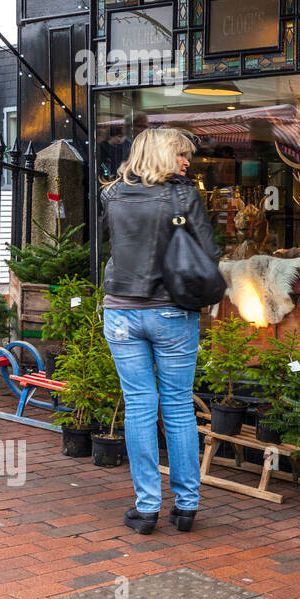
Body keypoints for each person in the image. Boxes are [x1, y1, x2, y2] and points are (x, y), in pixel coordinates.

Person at [100, 128, 220, 535]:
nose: (188, 162)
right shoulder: (183, 195)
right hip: (171, 312)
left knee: (139, 405)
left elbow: (108, 244)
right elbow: (208, 252)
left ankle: (147, 508)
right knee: (177, 405)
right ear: (164, 155)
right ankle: (186, 506)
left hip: (120, 311)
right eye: (182, 155)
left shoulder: (112, 194)